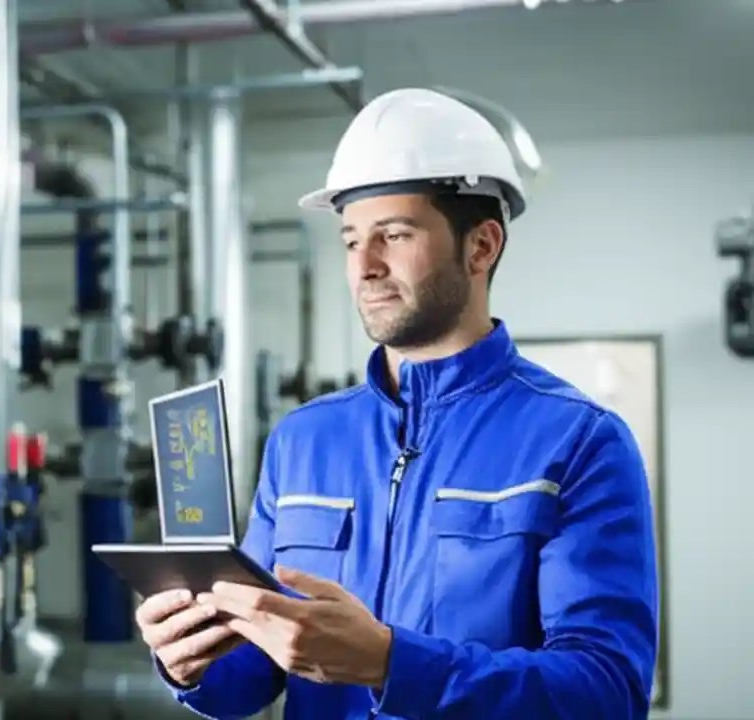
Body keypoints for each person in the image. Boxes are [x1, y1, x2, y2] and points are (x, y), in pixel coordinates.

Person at [135, 87, 659, 719]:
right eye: (352, 240)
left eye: (395, 234)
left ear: (481, 246)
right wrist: (191, 660)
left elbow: (606, 692)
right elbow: (250, 675)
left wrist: (391, 663)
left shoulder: (577, 441)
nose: (366, 266)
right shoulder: (303, 440)